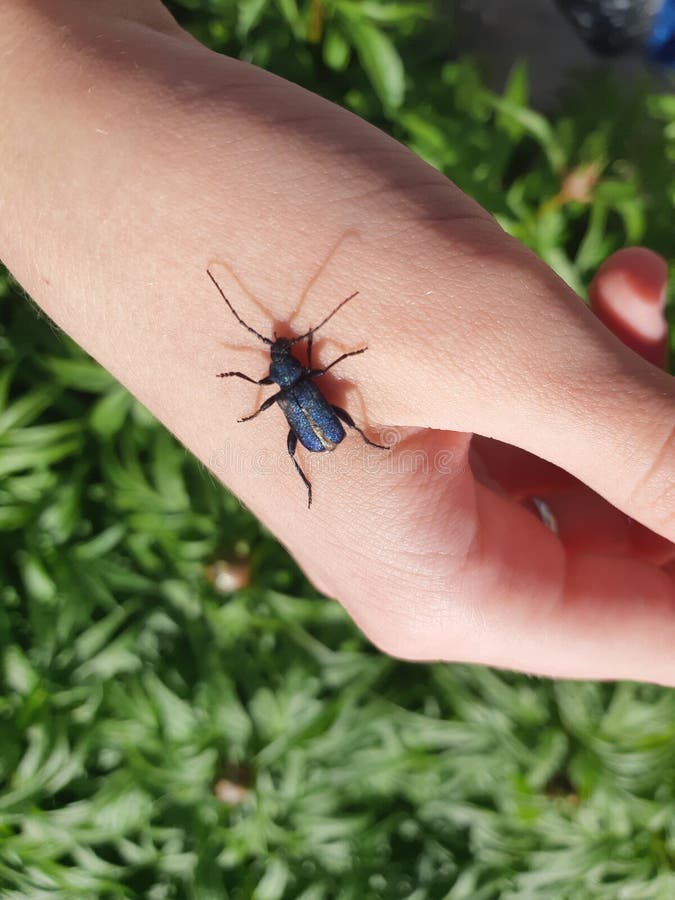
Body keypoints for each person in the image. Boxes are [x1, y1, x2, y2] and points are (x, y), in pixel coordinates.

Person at [1, 1, 672, 683]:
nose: (280, 354)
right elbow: (305, 377)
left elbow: (292, 383)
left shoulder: (286, 385)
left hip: (318, 424)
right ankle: (356, 452)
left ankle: (351, 454)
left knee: (321, 404)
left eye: (279, 356)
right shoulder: (296, 381)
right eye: (280, 356)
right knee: (325, 404)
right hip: (322, 425)